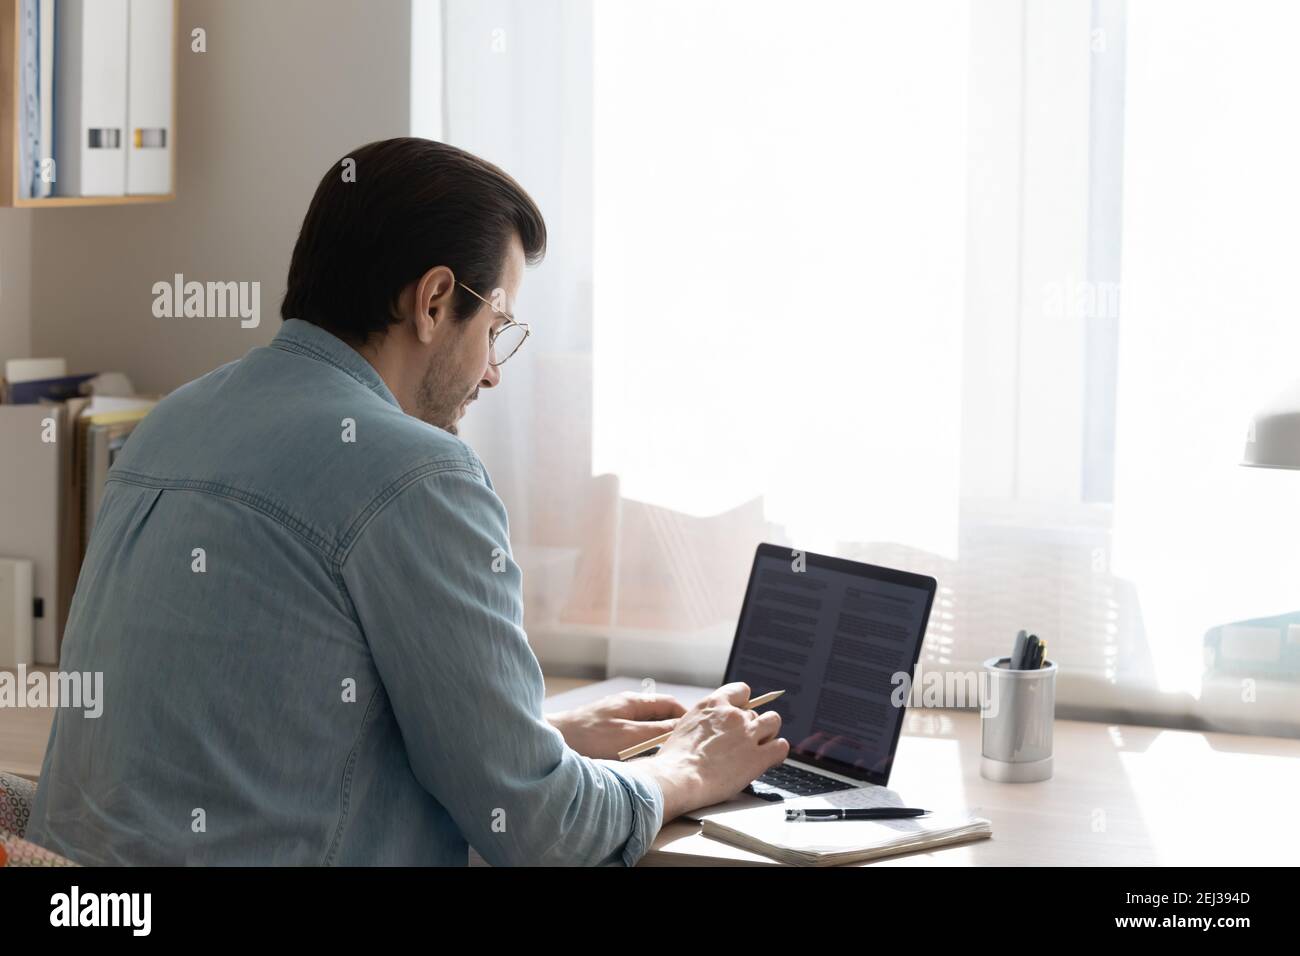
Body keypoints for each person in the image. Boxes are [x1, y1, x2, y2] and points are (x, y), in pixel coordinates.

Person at [27, 137, 788, 865]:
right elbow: (543, 832)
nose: (492, 373)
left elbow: (270, 732)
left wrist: (535, 737)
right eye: (496, 328)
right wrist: (685, 769)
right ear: (432, 301)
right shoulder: (417, 473)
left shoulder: (172, 423)